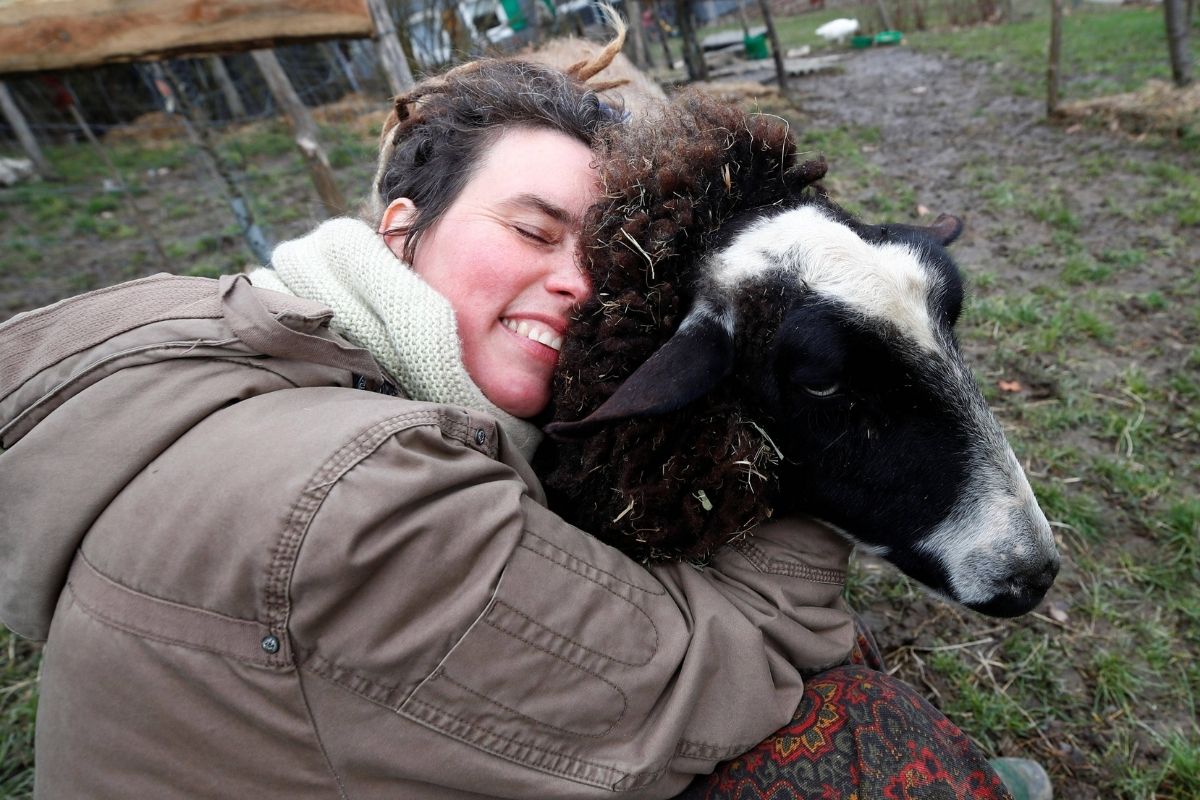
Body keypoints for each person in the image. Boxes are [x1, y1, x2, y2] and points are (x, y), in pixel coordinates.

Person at [0, 33, 1048, 800]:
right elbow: (708, 672)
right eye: (532, 229)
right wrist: (777, 453)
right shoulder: (356, 495)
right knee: (840, 724)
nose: (575, 287)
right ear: (400, 223)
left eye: (597, 260)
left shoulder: (264, 349)